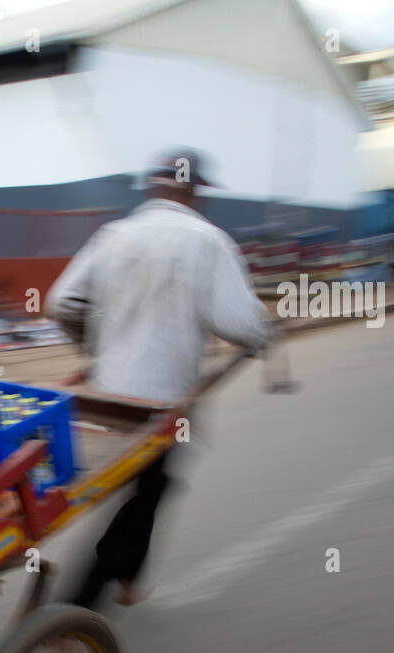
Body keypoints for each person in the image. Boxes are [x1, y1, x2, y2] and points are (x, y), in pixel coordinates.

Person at [46, 148, 273, 609]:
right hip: (161, 403)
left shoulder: (114, 235)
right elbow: (239, 323)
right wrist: (260, 334)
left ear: (157, 186)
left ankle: (127, 578)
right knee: (143, 493)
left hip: (106, 397)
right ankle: (80, 604)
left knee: (151, 485)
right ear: (194, 192)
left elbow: (62, 302)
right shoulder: (208, 242)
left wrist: (96, 348)